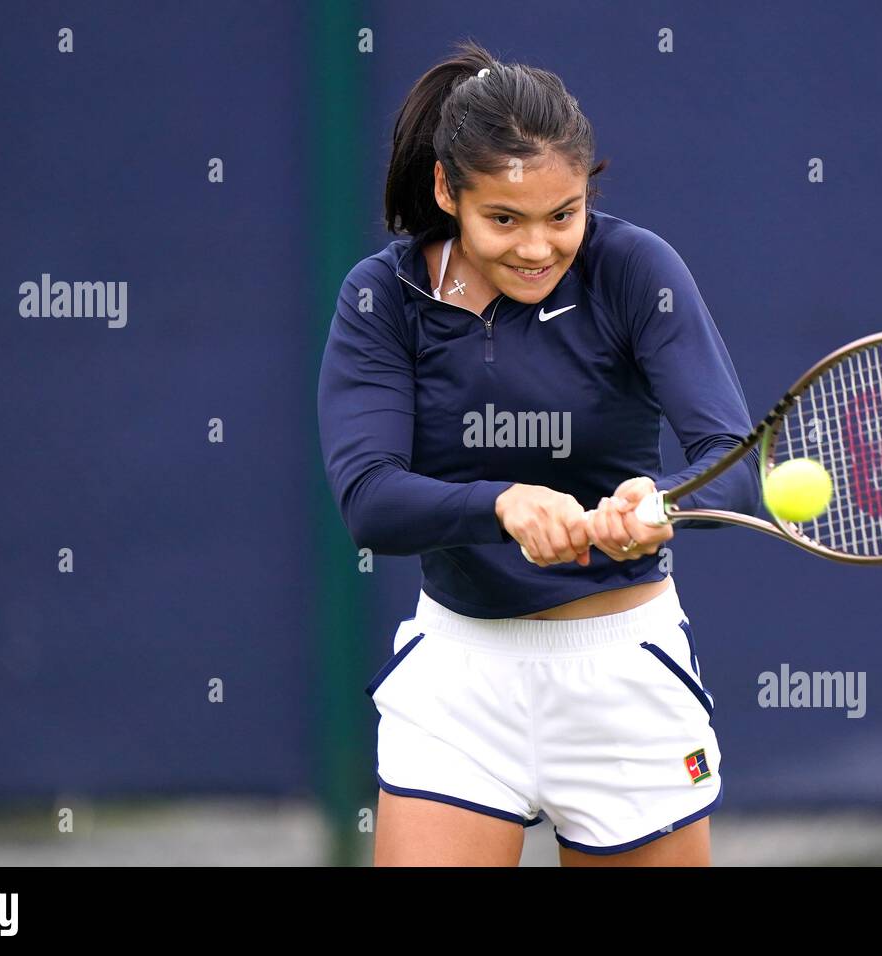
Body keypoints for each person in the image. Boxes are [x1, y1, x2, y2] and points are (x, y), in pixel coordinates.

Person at [317, 39, 760, 866]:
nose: (537, 248)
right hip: (459, 681)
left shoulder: (634, 269)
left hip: (624, 679)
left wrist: (658, 502)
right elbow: (370, 500)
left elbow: (732, 463)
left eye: (563, 215)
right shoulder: (382, 298)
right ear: (448, 191)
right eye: (504, 220)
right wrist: (502, 503)